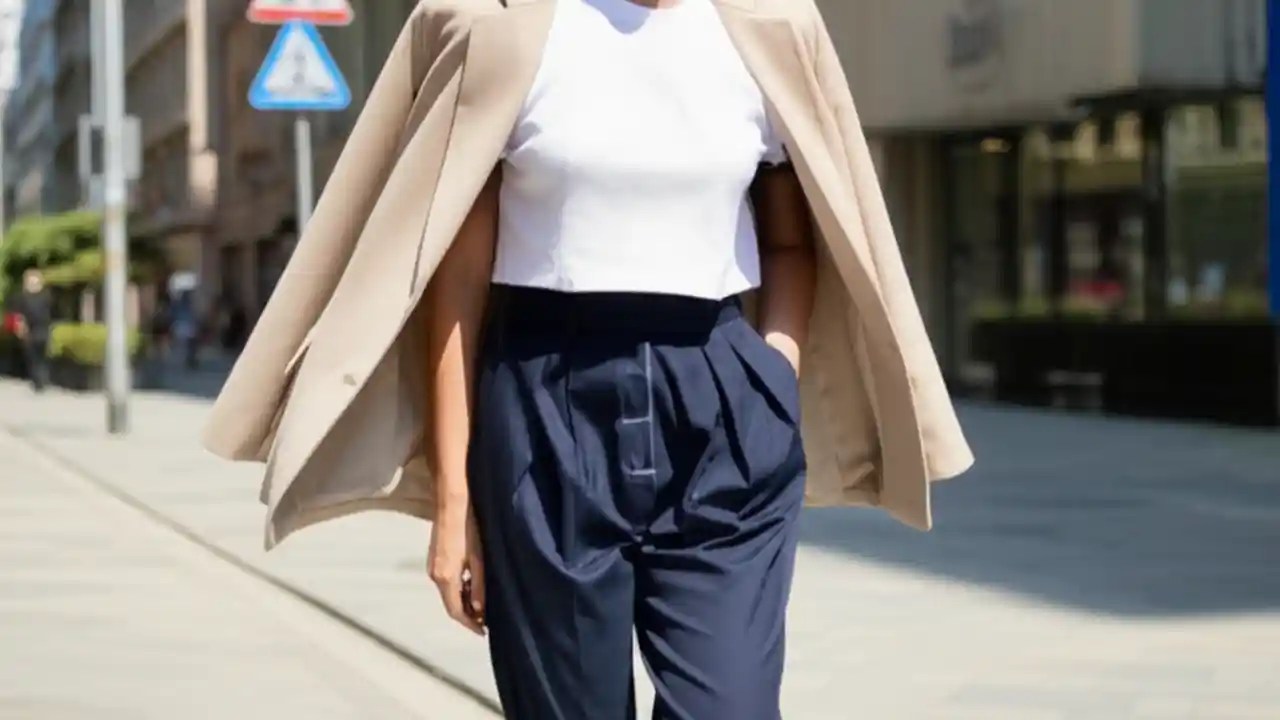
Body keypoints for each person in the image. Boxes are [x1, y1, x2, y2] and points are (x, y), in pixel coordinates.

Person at [203, 1, 975, 717]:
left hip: (722, 402)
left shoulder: (764, 26)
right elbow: (458, 285)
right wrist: (453, 506)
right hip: (545, 402)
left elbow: (789, 242)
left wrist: (771, 375)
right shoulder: (509, 30)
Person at [12, 269, 52, 393]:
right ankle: (37, 381)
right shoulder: (22, 296)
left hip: (43, 328)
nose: (33, 282)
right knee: (32, 356)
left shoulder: (46, 295)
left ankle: (42, 380)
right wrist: (20, 327)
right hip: (29, 329)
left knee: (42, 355)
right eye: (31, 280)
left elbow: (52, 311)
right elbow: (18, 315)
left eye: (35, 279)